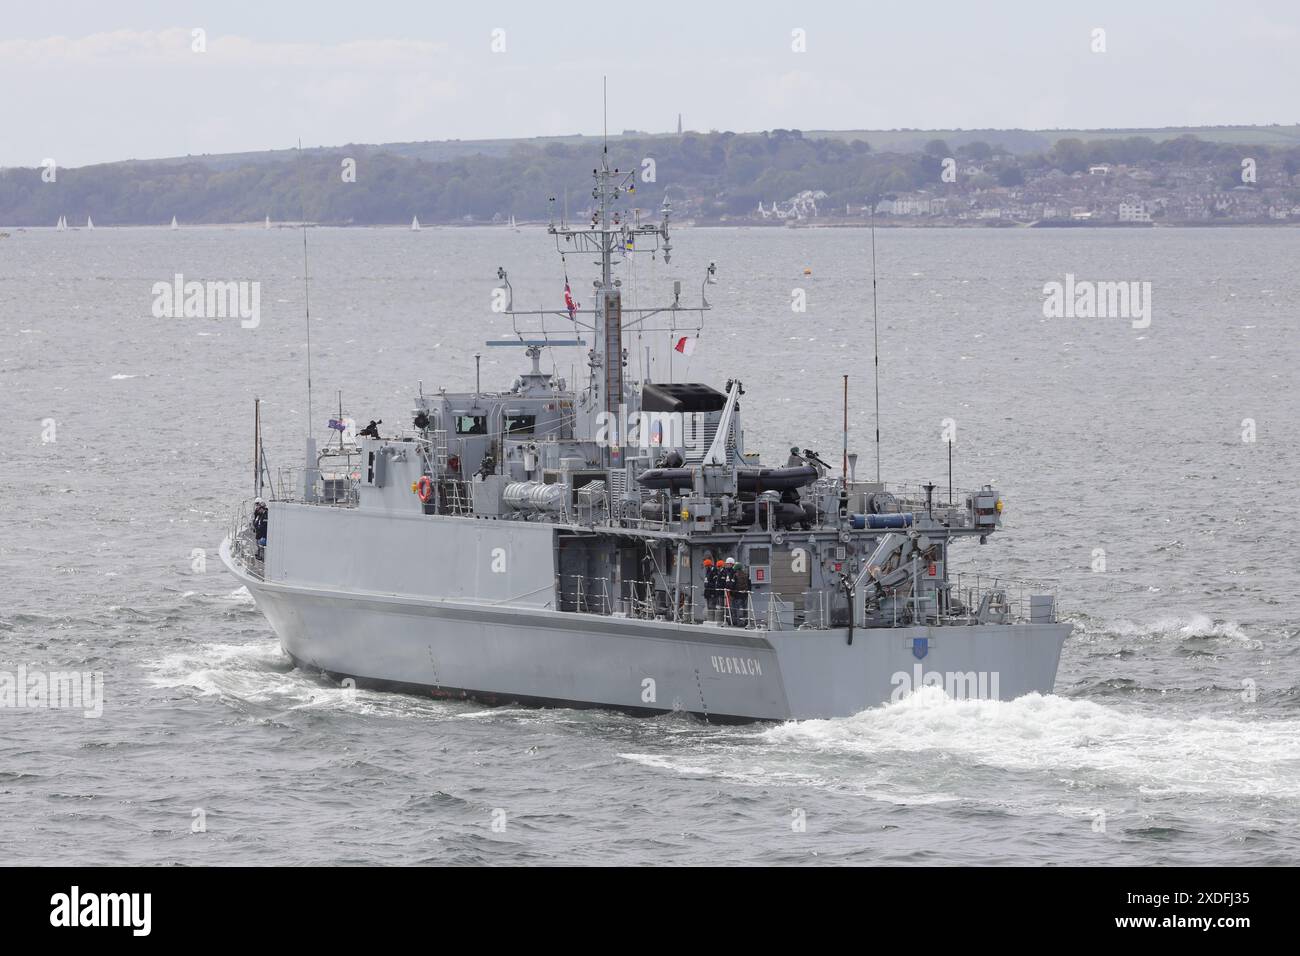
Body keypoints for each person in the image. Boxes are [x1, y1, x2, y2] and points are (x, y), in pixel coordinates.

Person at [733, 562, 751, 627]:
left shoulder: (735, 575)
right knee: (745, 609)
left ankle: (739, 622)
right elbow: (749, 584)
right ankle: (746, 621)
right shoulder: (746, 575)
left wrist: (733, 593)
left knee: (738, 609)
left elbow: (733, 585)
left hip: (738, 595)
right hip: (745, 594)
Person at [721, 556, 738, 625]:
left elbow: (733, 583)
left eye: (728, 564)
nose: (726, 565)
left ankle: (733, 621)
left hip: (732, 593)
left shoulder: (733, 572)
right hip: (728, 592)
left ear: (731, 564)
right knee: (728, 607)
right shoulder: (727, 571)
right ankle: (729, 620)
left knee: (733, 607)